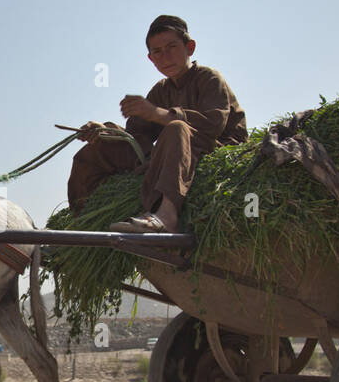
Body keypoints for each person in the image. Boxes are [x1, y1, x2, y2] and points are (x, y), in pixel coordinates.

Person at [67, 15, 247, 233]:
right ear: (151, 59)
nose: (165, 57)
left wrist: (156, 113)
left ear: (189, 47)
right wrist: (105, 131)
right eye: (158, 52)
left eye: (172, 47)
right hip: (173, 150)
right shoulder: (161, 90)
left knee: (176, 128)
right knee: (100, 145)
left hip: (215, 148)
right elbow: (135, 136)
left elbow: (211, 126)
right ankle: (82, 220)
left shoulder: (209, 78)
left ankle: (166, 214)